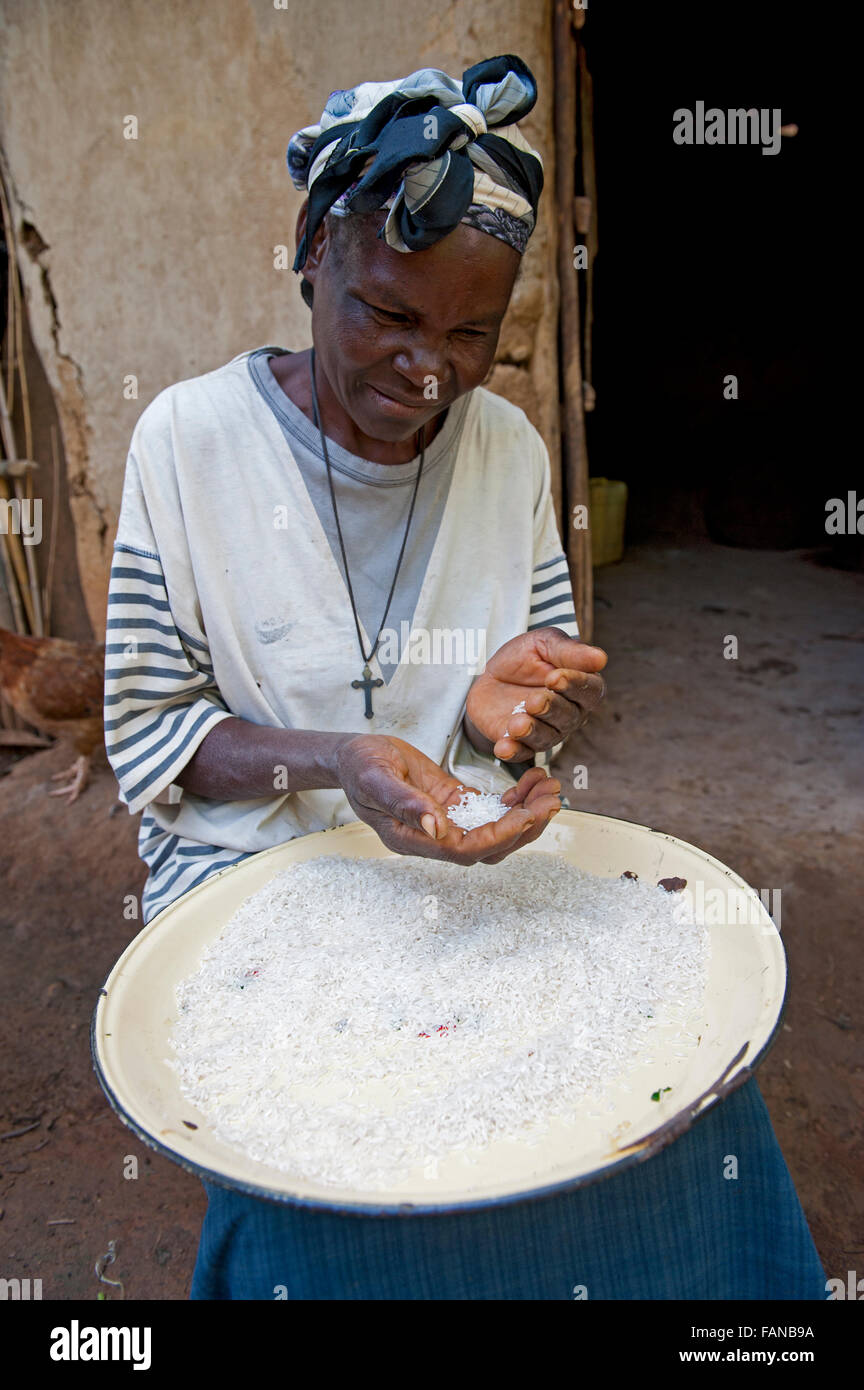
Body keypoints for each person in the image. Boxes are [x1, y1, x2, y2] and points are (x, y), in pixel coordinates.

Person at [104, 55, 826, 1300]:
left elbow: (521, 710)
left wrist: (513, 732)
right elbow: (150, 737)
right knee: (357, 1189)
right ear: (313, 250)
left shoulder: (508, 450)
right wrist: (335, 760)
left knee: (679, 1117)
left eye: (469, 334)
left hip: (466, 889)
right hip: (254, 892)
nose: (426, 369)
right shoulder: (188, 442)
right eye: (389, 314)